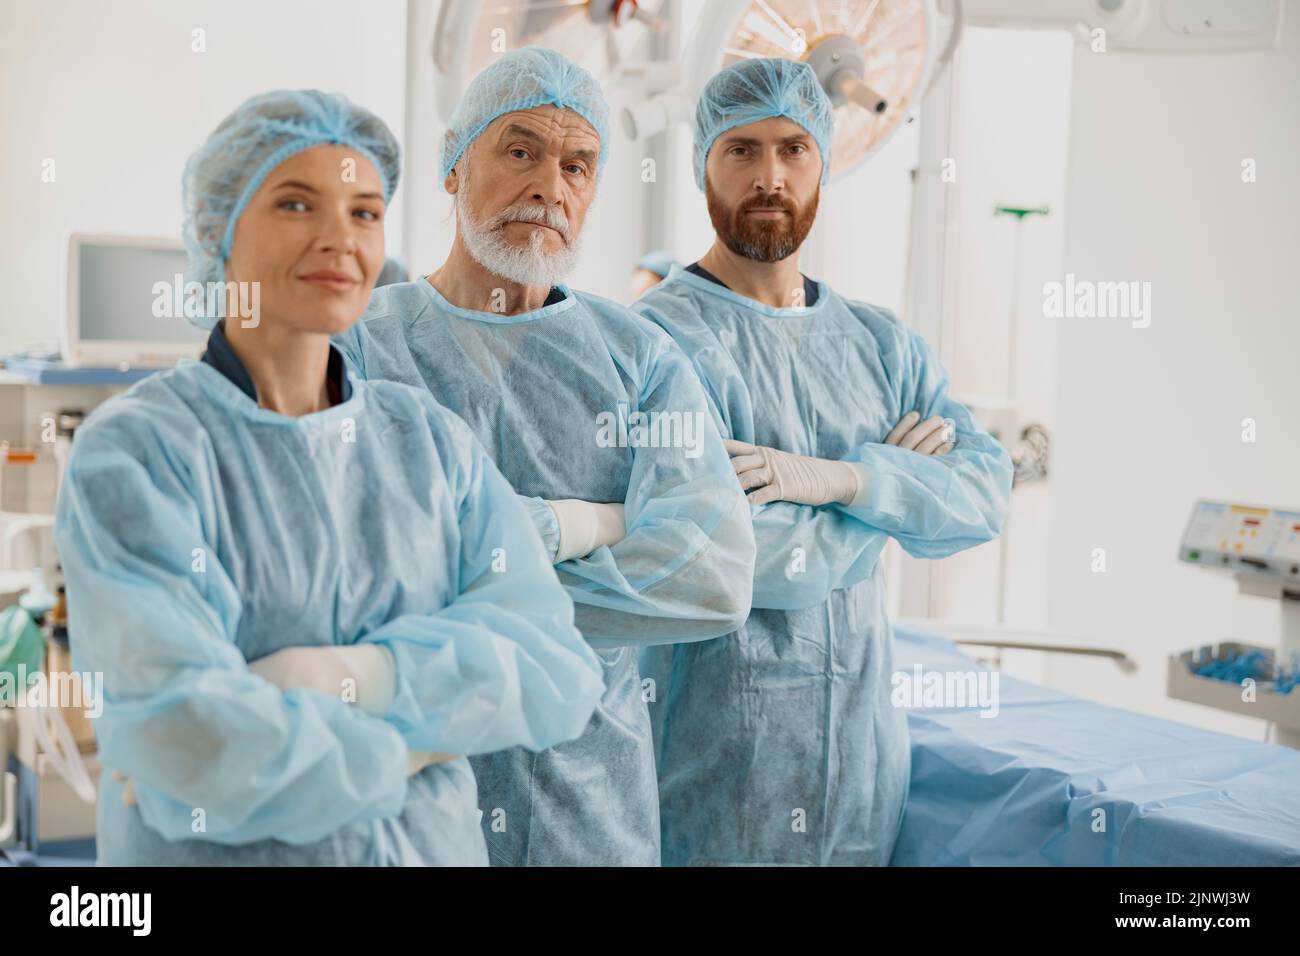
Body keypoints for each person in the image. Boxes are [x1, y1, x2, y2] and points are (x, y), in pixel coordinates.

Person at [54, 90, 604, 866]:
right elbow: (191, 741)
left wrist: (356, 678)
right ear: (220, 231)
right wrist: (417, 745)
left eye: (365, 213)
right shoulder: (139, 452)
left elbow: (553, 667)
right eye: (295, 203)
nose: (338, 239)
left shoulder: (427, 443)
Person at [335, 48, 755, 866]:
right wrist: (594, 526)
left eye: (578, 166)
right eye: (520, 151)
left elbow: (711, 576)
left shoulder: (641, 360)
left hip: (587, 805)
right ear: (454, 168)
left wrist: (473, 580)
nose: (548, 188)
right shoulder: (357, 349)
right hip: (400, 805)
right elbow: (341, 572)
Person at [631, 57, 1014, 866]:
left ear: (825, 162)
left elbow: (982, 495)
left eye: (794, 148)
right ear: (704, 160)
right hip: (716, 772)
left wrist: (851, 479)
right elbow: (735, 557)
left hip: (865, 770)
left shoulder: (881, 345)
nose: (770, 176)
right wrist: (897, 503)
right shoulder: (655, 343)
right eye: (742, 150)